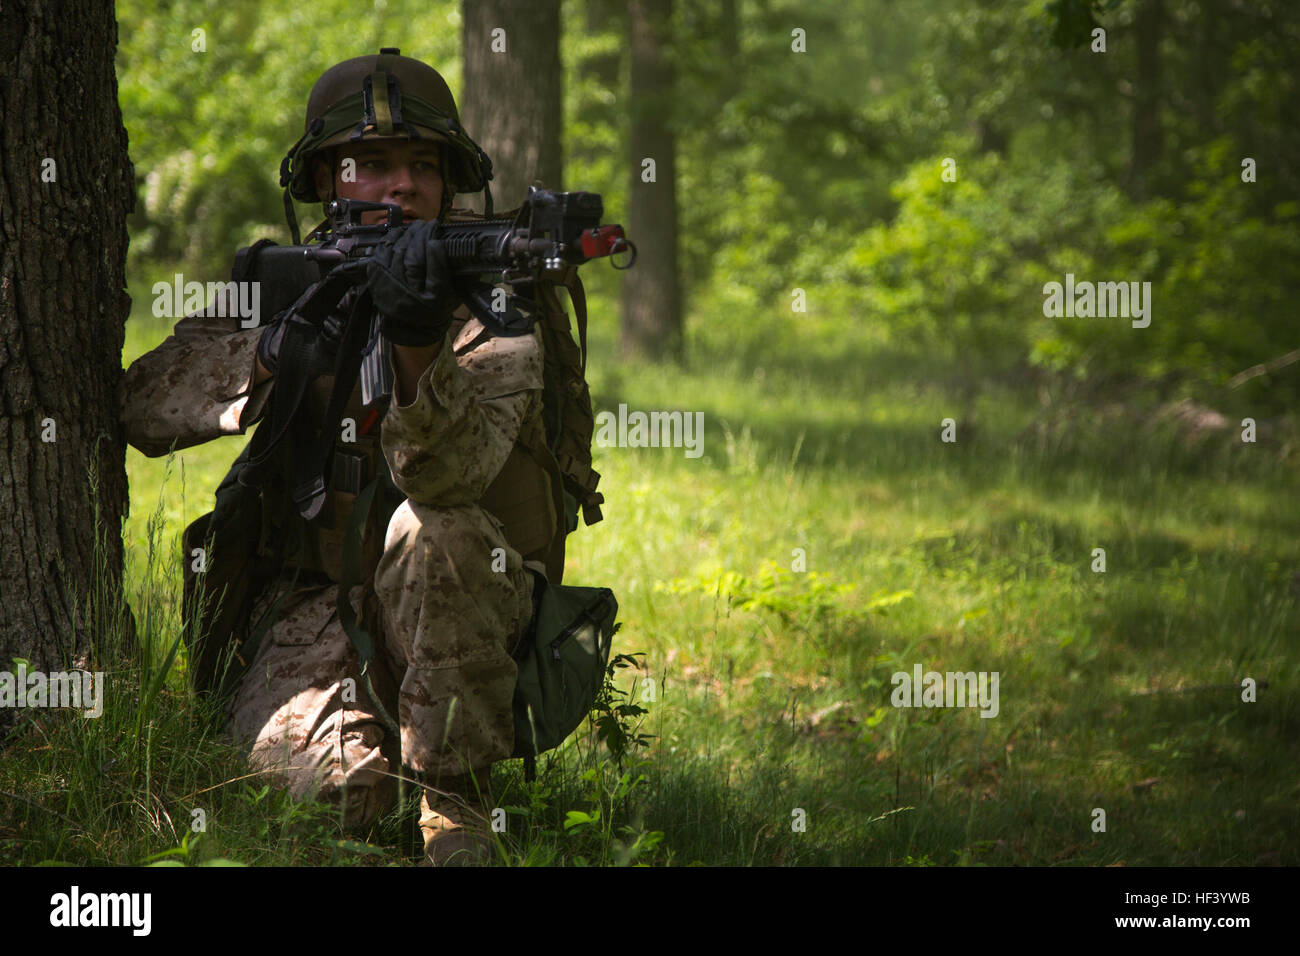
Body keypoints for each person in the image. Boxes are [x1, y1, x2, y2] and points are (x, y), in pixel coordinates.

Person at [121, 49, 564, 865]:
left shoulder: (495, 302)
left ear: (450, 180)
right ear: (328, 178)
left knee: (433, 530)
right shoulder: (281, 282)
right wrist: (273, 351)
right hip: (312, 604)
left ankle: (457, 805)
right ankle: (382, 751)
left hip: (462, 607)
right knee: (337, 805)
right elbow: (142, 407)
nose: (402, 185)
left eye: (423, 165)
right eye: (374, 164)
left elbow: (448, 478)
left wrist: (417, 342)